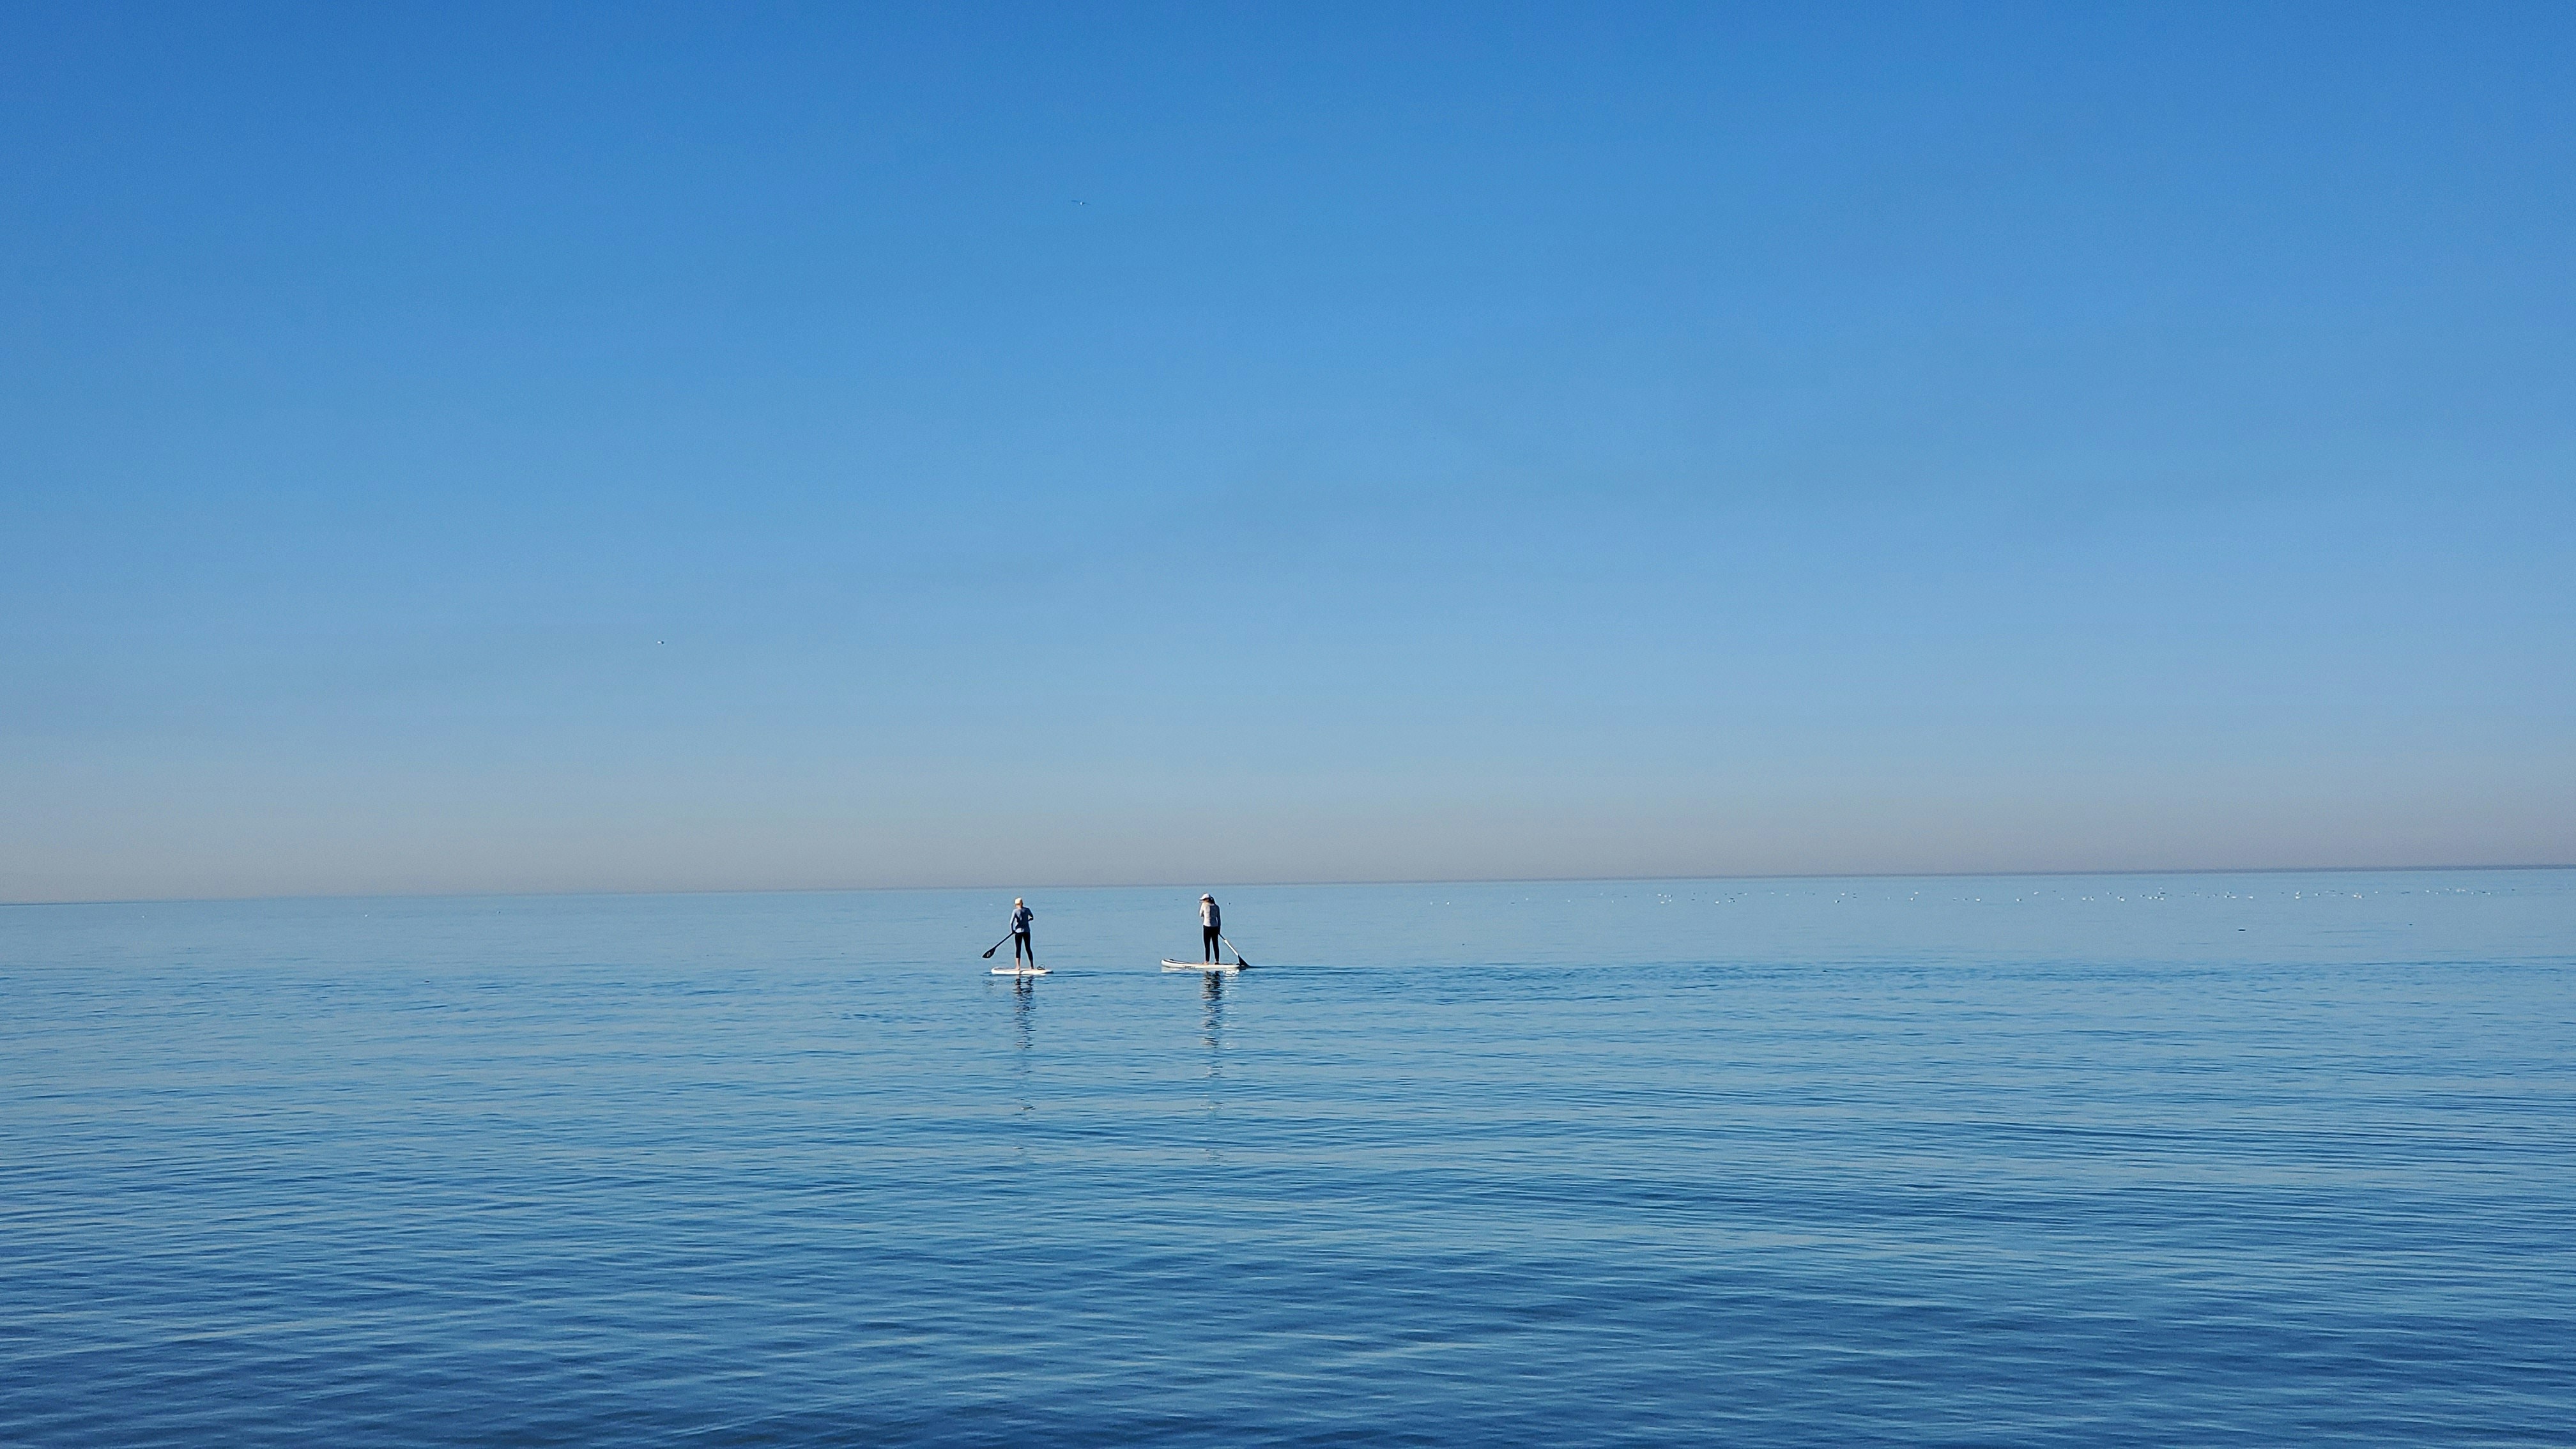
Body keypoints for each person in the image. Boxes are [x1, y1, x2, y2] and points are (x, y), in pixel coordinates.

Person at [1009, 898, 1035, 967]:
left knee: (1018, 948)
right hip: (1027, 931)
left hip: (1018, 932)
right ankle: (1032, 966)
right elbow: (1032, 917)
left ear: (1016, 904)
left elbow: (1011, 923)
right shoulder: (1027, 910)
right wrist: (1028, 920)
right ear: (1022, 903)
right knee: (1028, 948)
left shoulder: (1015, 912)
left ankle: (1018, 967)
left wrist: (1012, 931)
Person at [1200, 893, 1222, 963]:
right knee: (1216, 945)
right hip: (1215, 927)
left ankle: (1207, 961)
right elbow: (1219, 919)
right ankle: (1217, 961)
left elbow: (1201, 914)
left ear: (1207, 900)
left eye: (1204, 900)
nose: (1203, 901)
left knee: (1207, 945)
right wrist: (1219, 929)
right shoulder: (1217, 907)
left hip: (1207, 927)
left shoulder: (1204, 905)